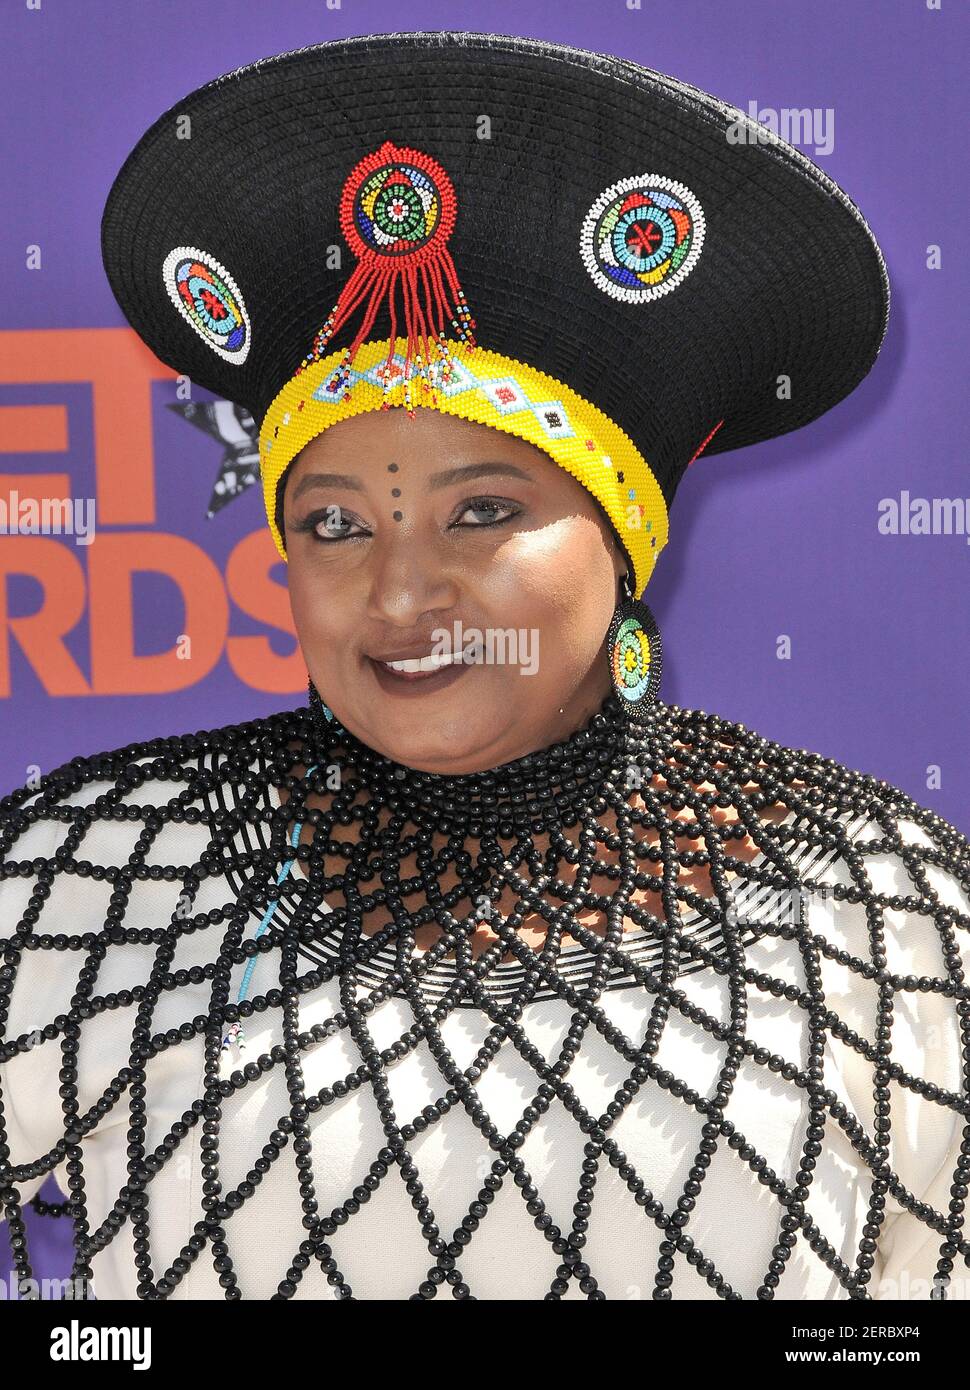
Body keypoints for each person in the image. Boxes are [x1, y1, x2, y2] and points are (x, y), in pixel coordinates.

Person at [1, 31, 968, 1303]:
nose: (401, 595)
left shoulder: (886, 910)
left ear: (622, 550)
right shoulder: (81, 877)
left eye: (481, 511)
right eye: (335, 523)